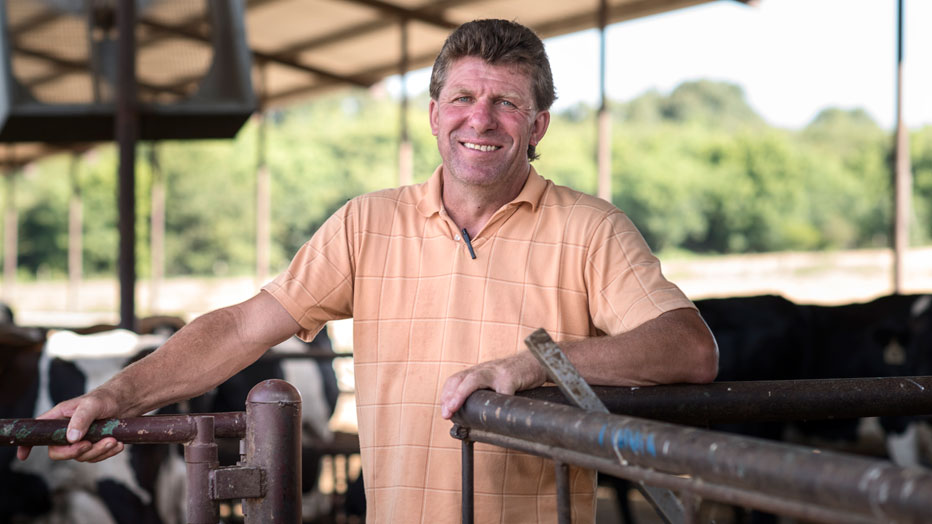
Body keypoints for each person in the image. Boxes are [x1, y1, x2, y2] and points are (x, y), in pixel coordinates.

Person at [19, 19, 717, 523]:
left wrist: (534, 365)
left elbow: (690, 349)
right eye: (465, 100)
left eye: (507, 102)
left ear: (537, 125)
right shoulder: (367, 223)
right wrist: (116, 396)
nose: (483, 119)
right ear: (435, 113)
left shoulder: (590, 228)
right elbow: (241, 328)